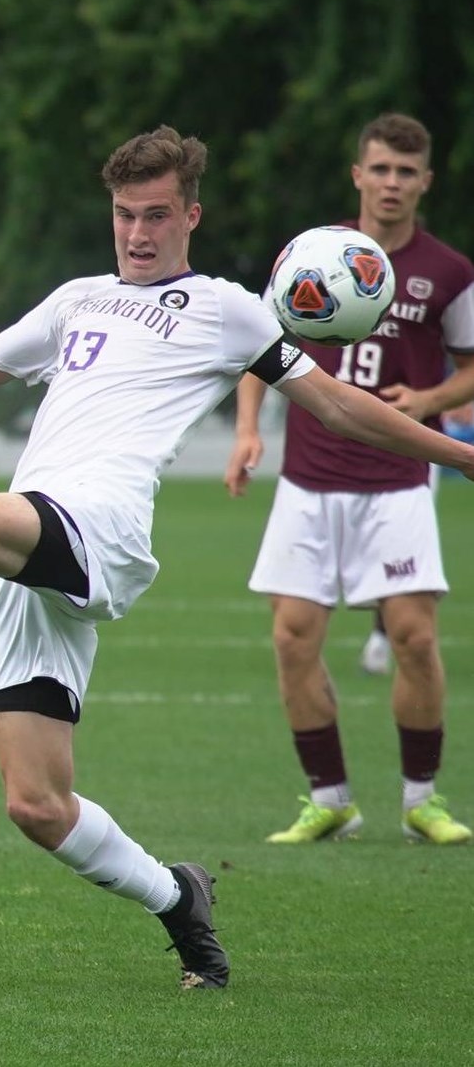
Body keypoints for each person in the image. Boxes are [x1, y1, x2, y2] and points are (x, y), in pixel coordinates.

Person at [0, 126, 474, 991]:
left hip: (97, 527)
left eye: (155, 216)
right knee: (36, 806)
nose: (137, 234)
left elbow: (336, 406)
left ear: (190, 215)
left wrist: (461, 456)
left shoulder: (229, 308)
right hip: (29, 552)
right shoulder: (77, 298)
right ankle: (178, 900)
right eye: (122, 215)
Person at [225, 113, 474, 846]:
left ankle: (421, 800)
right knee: (292, 637)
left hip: (397, 479)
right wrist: (247, 431)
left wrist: (427, 403)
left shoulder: (450, 273)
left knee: (412, 638)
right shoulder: (312, 255)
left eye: (405, 172)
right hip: (307, 478)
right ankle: (329, 799)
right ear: (357, 175)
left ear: (423, 182)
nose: (390, 183)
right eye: (379, 169)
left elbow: (470, 367)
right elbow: (256, 346)